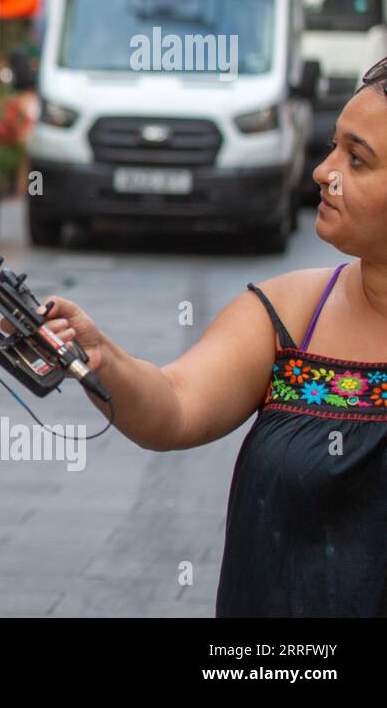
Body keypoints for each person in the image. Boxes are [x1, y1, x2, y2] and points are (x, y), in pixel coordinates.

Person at [24, 60, 387, 616]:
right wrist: (101, 358)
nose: (322, 170)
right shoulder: (289, 316)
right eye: (333, 147)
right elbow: (174, 406)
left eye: (355, 160)